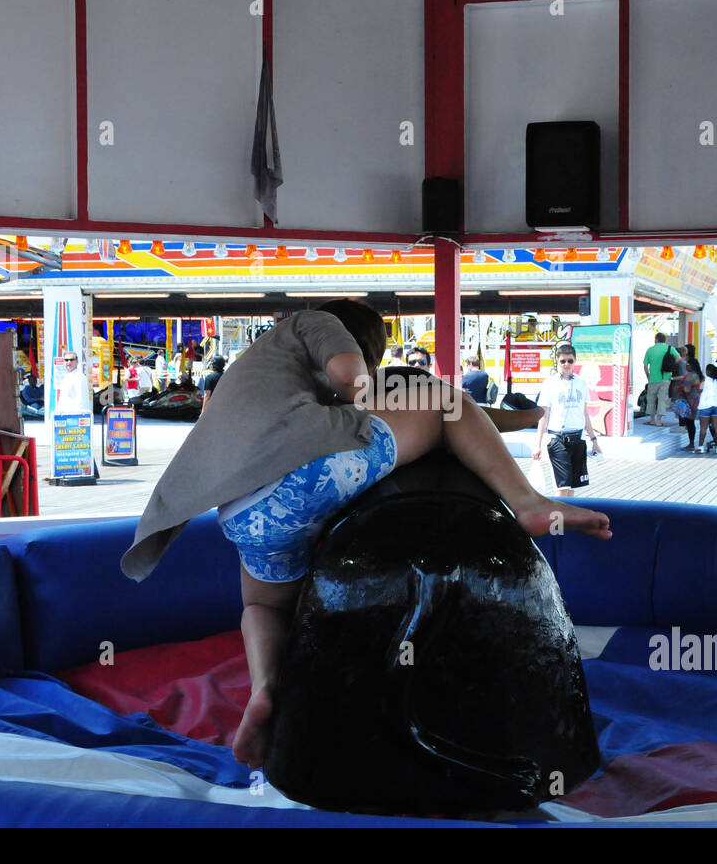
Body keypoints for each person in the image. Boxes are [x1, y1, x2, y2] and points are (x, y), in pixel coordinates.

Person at [120, 300, 610, 769]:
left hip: (241, 511)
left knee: (263, 606)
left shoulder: (256, 369)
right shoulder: (314, 323)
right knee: (445, 406)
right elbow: (357, 384)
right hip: (301, 471)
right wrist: (415, 394)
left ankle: (266, 686)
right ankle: (529, 503)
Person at [533, 343, 601, 497]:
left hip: (578, 438)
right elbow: (544, 414)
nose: (566, 365)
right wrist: (537, 445)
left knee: (572, 488)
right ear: (557, 361)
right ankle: (558, 521)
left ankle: (568, 521)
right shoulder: (549, 383)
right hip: (557, 438)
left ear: (575, 361)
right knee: (562, 487)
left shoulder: (582, 383)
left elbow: (585, 414)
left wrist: (594, 440)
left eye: (570, 361)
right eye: (563, 361)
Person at [642, 334, 681, 427]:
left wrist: (648, 375)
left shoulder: (650, 349)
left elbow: (645, 365)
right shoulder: (670, 348)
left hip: (653, 378)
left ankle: (652, 420)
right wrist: (671, 365)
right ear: (664, 340)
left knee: (651, 399)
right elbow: (679, 358)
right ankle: (658, 421)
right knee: (662, 400)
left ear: (656, 339)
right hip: (665, 377)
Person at [673, 345, 704, 451]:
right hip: (695, 400)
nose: (686, 366)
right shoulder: (696, 375)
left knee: (690, 423)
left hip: (689, 402)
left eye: (688, 364)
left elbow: (686, 389)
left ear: (691, 366)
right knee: (692, 423)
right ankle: (691, 443)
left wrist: (679, 388)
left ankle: (691, 444)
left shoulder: (690, 376)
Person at [695, 363, 717, 453]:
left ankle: (700, 448)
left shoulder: (704, 380)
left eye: (706, 370)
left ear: (708, 371)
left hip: (705, 406)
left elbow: (699, 390)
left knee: (703, 428)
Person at [54, 349, 91, 414]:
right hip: (64, 417)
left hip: (74, 417)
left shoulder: (79, 377)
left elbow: (81, 400)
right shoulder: (67, 377)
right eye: (66, 360)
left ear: (77, 361)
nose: (69, 362)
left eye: (71, 360)